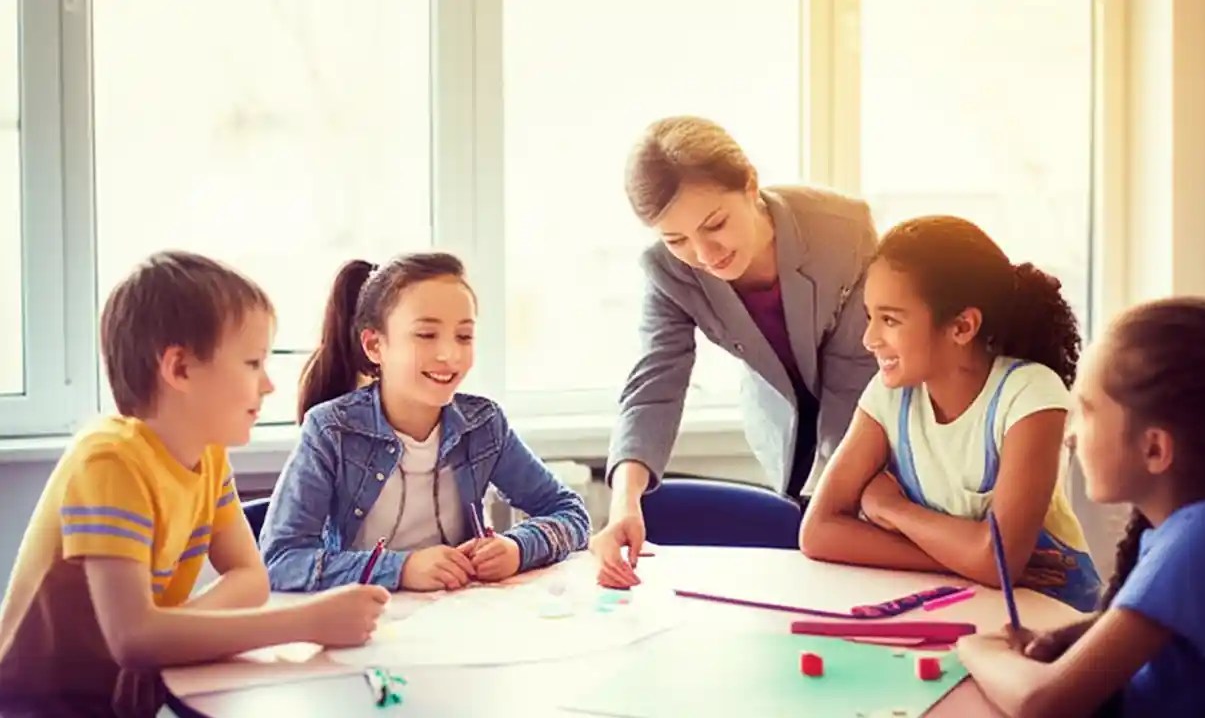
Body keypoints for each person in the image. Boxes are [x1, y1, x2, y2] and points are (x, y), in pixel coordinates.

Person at [0, 252, 388, 717]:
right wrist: (306, 622)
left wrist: (162, 639)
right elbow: (132, 639)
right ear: (180, 369)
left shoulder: (208, 455)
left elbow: (250, 579)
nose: (267, 385)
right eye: (252, 362)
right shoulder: (109, 461)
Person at [957, 297, 1205, 717]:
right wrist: (1072, 638)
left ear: (1154, 448)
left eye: (1087, 411)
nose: (1071, 436)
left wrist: (977, 649)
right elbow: (1172, 625)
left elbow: (1044, 704)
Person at [593, 115, 879, 588]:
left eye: (715, 224)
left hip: (859, 407)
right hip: (781, 419)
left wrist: (845, 503)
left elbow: (854, 371)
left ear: (750, 184)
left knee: (841, 545)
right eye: (677, 239)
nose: (705, 255)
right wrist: (624, 500)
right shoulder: (667, 271)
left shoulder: (842, 229)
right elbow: (653, 386)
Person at [799, 216, 1101, 611]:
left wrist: (892, 508)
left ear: (962, 326)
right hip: (961, 599)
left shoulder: (1029, 393)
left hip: (1052, 613)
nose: (869, 339)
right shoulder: (890, 396)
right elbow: (818, 533)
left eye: (889, 319)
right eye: (870, 316)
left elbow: (998, 561)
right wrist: (965, 561)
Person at [259, 253, 590, 592]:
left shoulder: (484, 425)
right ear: (375, 345)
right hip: (363, 622)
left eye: (464, 337)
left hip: (459, 615)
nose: (449, 355)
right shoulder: (331, 430)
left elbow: (570, 513)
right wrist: (401, 568)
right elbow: (281, 560)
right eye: (426, 335)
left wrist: (518, 548)